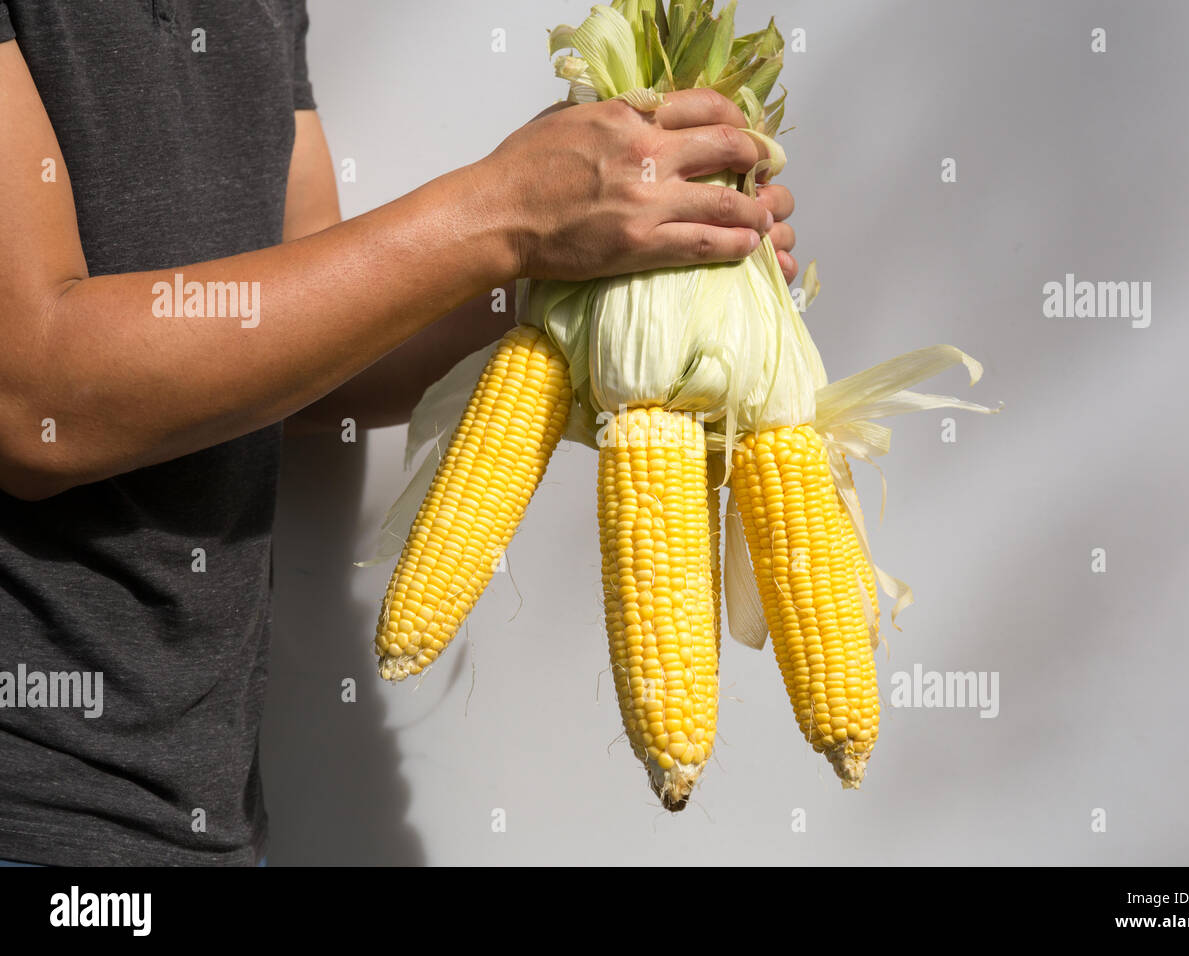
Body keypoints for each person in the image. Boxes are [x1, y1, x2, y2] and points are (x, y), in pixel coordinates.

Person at [0, 1, 799, 865]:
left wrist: (595, 259)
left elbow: (306, 361)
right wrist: (505, 212)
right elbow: (35, 400)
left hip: (204, 818)